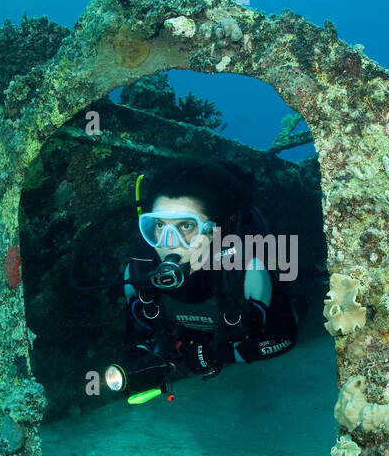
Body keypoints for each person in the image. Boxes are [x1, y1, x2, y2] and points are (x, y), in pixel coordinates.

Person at [122, 158, 298, 380]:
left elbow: (285, 338)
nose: (168, 243)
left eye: (186, 226)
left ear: (216, 231)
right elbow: (137, 335)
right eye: (159, 225)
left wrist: (221, 354)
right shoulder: (138, 273)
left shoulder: (246, 272)